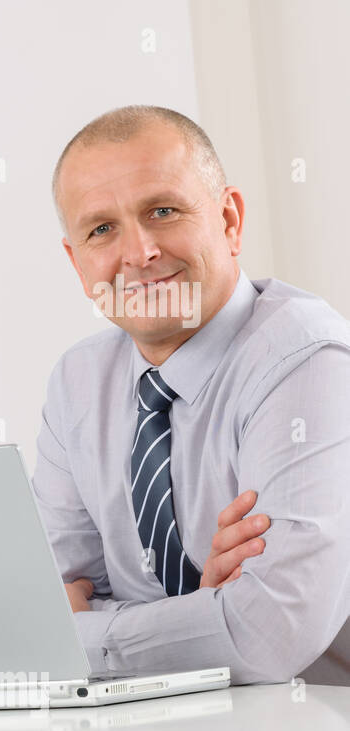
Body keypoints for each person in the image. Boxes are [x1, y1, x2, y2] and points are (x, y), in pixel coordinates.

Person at [35, 104, 350, 685]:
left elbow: (271, 631)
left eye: (162, 210)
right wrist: (201, 617)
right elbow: (35, 612)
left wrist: (89, 636)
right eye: (101, 229)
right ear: (77, 262)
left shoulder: (308, 358)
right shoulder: (76, 383)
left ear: (229, 220)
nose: (139, 253)